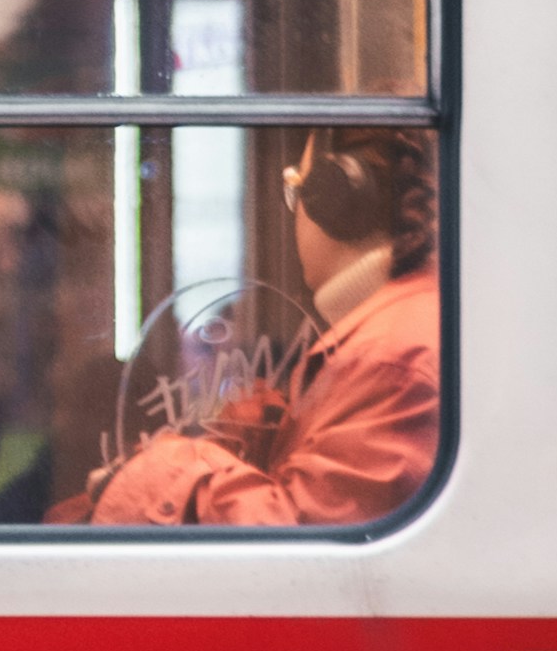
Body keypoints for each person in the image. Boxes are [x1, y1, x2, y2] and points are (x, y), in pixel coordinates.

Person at [78, 128, 442, 529]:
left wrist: (164, 472)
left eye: (296, 190)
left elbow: (302, 538)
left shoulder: (392, 359)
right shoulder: (390, 336)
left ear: (332, 199)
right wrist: (274, 440)